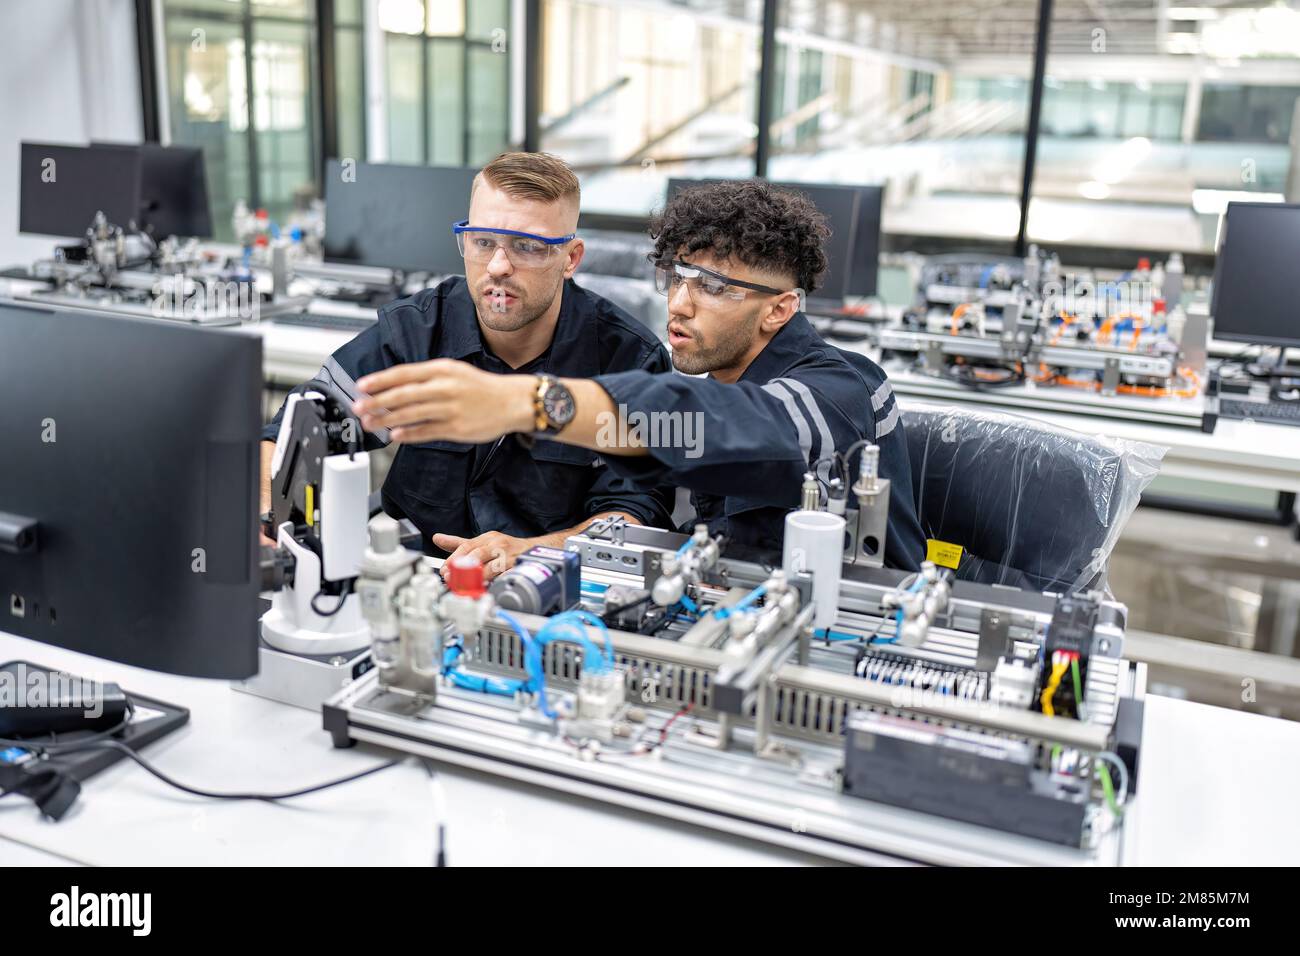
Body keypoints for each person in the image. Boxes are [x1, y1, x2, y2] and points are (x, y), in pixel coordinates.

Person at [350, 179, 925, 570]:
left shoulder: (842, 390)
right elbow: (660, 434)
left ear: (779, 308)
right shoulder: (715, 383)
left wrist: (529, 403)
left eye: (715, 287)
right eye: (678, 277)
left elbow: (724, 426)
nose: (679, 303)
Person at [261, 152, 672, 577]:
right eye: (483, 242)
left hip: (548, 584)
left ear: (570, 258)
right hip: (412, 574)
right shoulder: (421, 328)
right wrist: (268, 516)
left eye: (527, 247)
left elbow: (632, 513)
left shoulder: (629, 359)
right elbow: (305, 422)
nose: (497, 267)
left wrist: (532, 552)